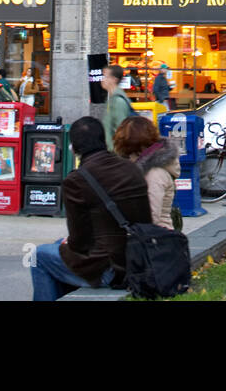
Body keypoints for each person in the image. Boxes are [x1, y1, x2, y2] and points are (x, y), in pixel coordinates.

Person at [30, 116, 151, 301]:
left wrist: (68, 243)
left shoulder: (77, 180)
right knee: (56, 246)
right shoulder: (131, 168)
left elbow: (79, 242)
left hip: (109, 269)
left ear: (74, 148)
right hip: (137, 261)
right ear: (103, 141)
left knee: (38, 256)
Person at [113, 116, 180, 230]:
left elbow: (151, 215)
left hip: (154, 239)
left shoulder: (154, 173)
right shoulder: (141, 166)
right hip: (147, 236)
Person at [101, 65, 135, 147]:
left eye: (105, 77)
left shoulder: (118, 101)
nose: (102, 80)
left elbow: (121, 130)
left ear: (114, 79)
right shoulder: (112, 99)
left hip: (117, 152)